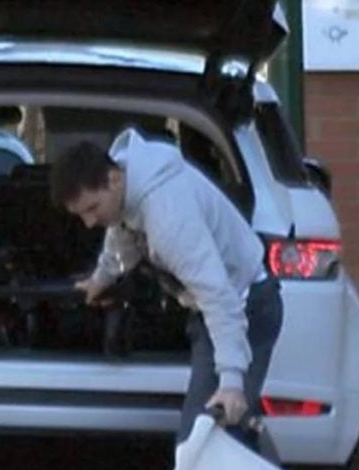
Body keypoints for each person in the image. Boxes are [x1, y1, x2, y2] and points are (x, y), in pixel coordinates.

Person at [49, 128, 284, 450]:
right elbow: (122, 237)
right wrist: (100, 280)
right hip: (220, 309)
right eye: (81, 215)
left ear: (114, 179)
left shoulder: (169, 220)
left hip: (244, 307)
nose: (89, 223)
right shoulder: (130, 187)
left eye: (92, 208)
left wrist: (231, 380)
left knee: (201, 445)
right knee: (222, 439)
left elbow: (218, 295)